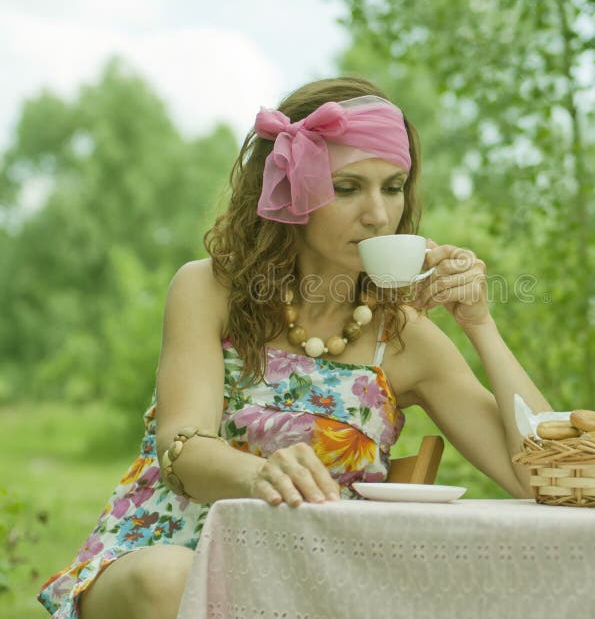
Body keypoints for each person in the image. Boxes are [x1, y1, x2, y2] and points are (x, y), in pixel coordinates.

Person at [37, 76, 552, 619]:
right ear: (291, 190)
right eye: (349, 188)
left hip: (308, 584)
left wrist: (480, 325)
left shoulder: (403, 337)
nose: (378, 213)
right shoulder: (209, 290)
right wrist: (257, 475)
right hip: (164, 557)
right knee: (174, 580)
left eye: (393, 187)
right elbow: (181, 449)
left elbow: (540, 475)